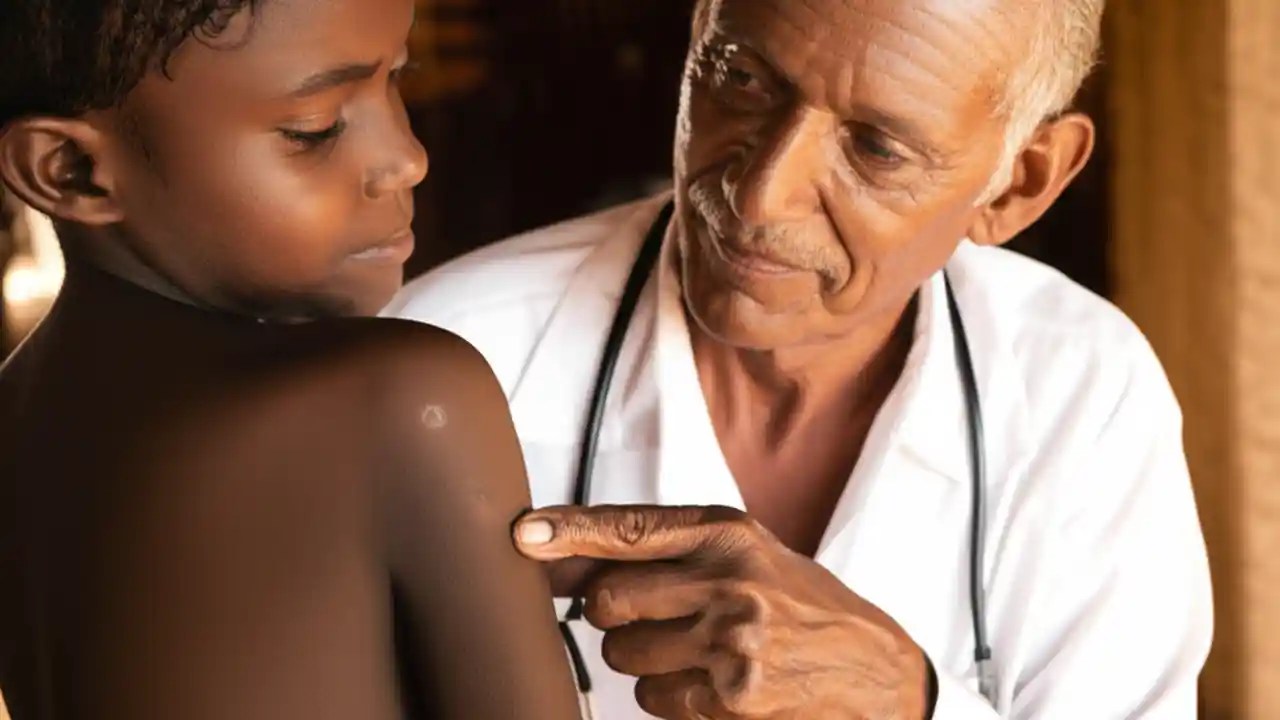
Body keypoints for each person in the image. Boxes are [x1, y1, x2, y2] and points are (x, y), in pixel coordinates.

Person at [387, 0, 1214, 717]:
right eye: (742, 80)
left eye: (877, 149)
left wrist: (904, 703)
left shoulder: (1081, 393)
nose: (760, 194)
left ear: (1018, 185)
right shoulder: (451, 358)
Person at [0, 1, 582, 718]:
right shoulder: (397, 401)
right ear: (71, 170)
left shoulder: (19, 414)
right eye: (316, 129)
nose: (408, 158)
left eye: (395, 77)